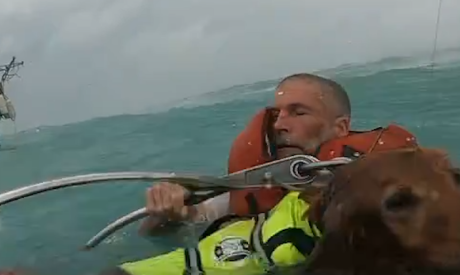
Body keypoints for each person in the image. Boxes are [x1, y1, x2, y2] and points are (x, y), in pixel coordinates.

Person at [140, 73, 418, 235]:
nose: (279, 124)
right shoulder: (255, 185)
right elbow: (179, 223)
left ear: (341, 127)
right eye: (277, 113)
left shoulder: (381, 182)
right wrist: (167, 209)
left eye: (298, 112)